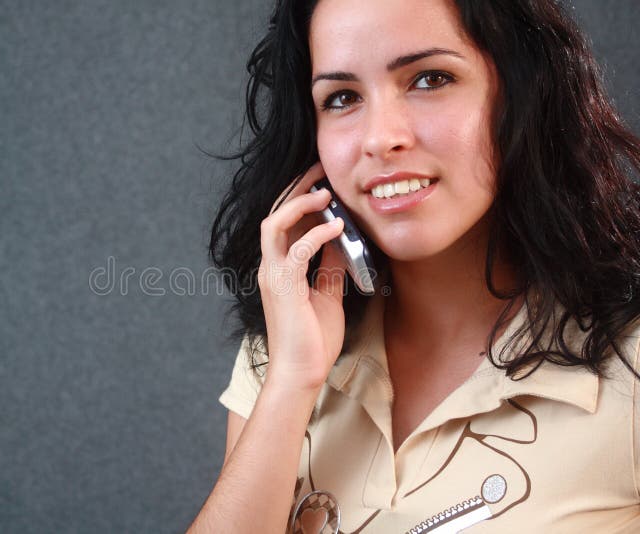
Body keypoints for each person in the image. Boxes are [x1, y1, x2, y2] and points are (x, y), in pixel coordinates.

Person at [189, 0, 640, 532]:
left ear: (523, 93)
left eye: (430, 79)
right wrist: (291, 380)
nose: (381, 138)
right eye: (342, 97)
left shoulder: (629, 361)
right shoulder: (287, 343)